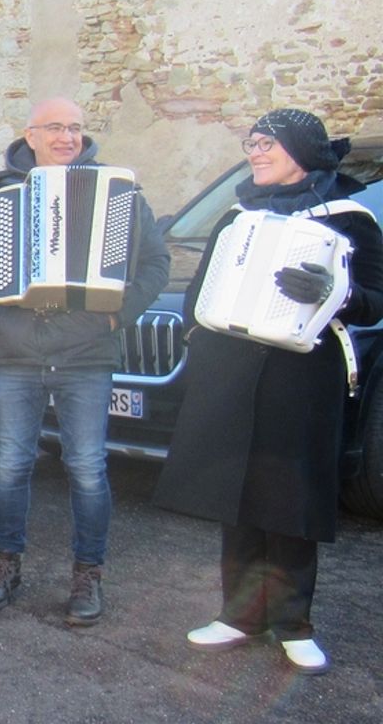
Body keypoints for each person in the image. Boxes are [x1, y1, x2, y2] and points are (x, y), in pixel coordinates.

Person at [153, 109, 383, 674]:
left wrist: (339, 292)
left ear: (301, 151)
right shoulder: (238, 213)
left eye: (266, 144)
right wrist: (196, 338)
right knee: (237, 491)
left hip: (302, 373)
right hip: (229, 367)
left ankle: (293, 622)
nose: (254, 152)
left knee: (290, 496)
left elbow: (378, 298)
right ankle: (239, 615)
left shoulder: (349, 217)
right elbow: (203, 288)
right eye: (251, 142)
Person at [0, 97, 169, 625]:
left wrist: (116, 318)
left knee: (88, 467)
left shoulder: (120, 192)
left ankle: (88, 575)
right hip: (15, 349)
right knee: (11, 464)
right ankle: (5, 566)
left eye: (76, 128)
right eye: (56, 128)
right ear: (31, 134)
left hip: (87, 350)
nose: (68, 137)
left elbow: (155, 263)